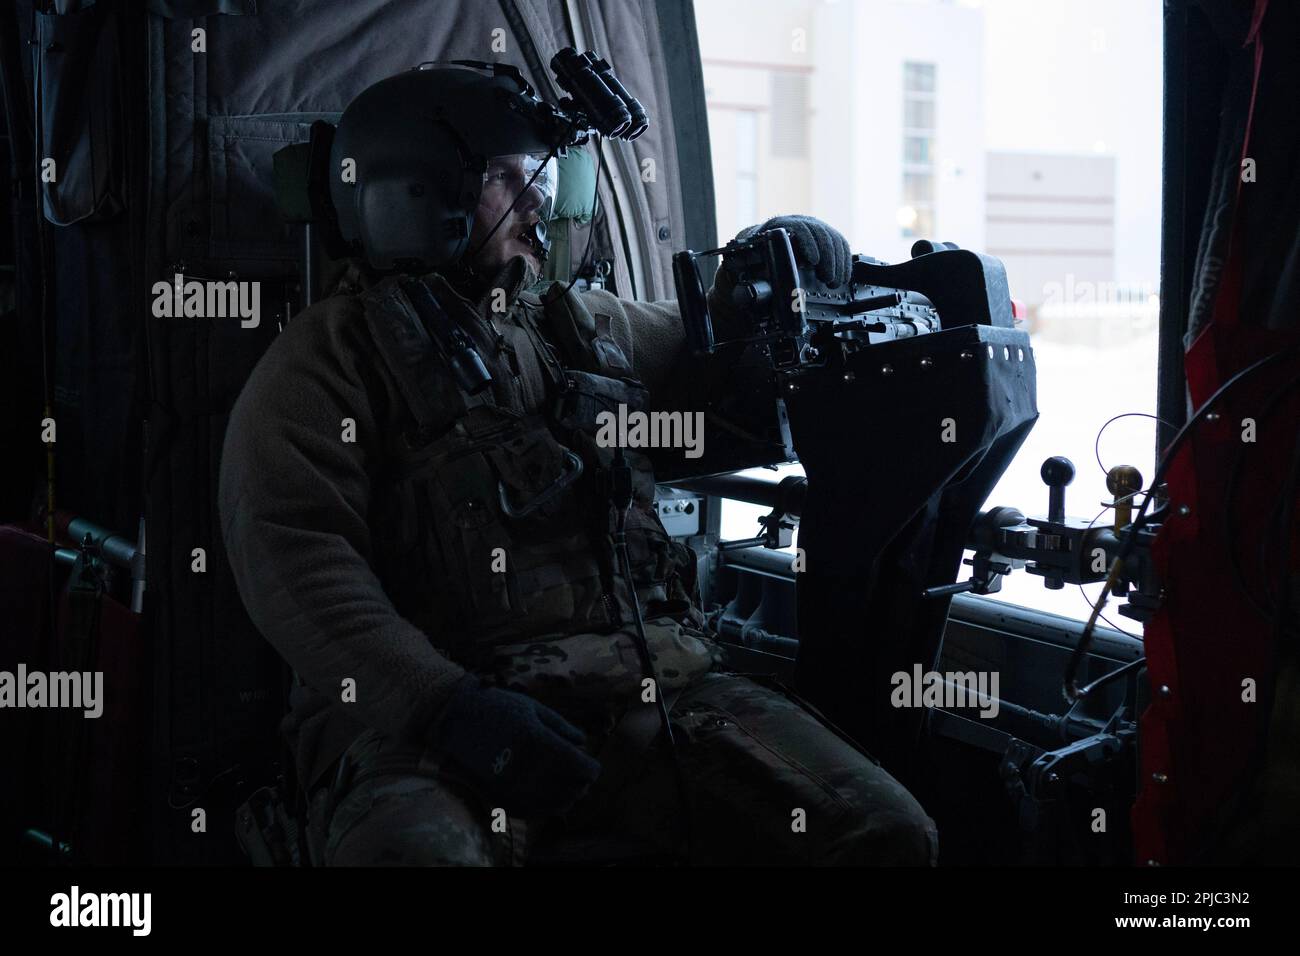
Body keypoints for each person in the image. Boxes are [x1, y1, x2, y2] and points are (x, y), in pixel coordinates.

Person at [218, 62, 937, 866]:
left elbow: (719, 361)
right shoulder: (325, 362)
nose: (537, 204)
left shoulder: (578, 325)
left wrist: (777, 267)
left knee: (883, 832)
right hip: (433, 723)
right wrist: (447, 708)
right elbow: (297, 562)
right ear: (419, 194)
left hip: (651, 691)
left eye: (541, 179)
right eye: (509, 179)